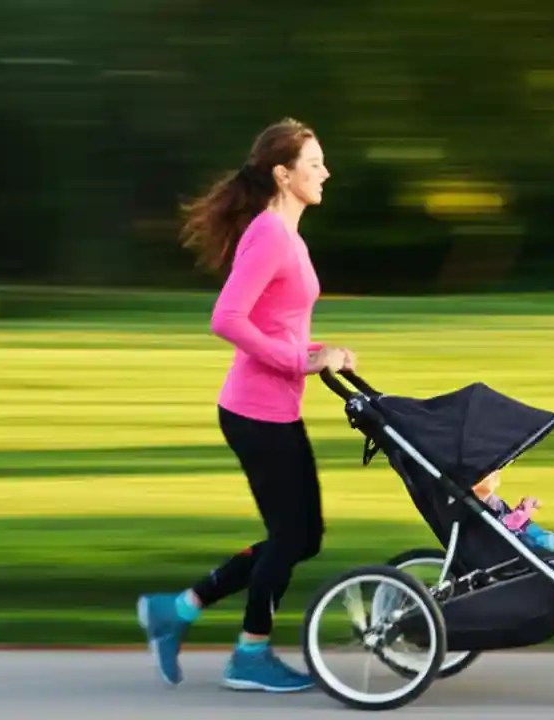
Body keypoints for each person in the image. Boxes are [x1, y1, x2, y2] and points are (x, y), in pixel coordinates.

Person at [137, 118, 353, 693]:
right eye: (314, 164)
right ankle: (249, 654)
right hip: (255, 410)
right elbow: (226, 318)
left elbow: (274, 324)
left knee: (304, 537)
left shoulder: (289, 235)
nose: (325, 172)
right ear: (284, 174)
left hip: (275, 407)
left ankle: (176, 610)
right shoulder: (269, 235)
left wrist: (318, 351)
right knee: (288, 537)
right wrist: (296, 361)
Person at [472, 469, 554, 557]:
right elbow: (511, 524)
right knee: (532, 535)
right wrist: (526, 509)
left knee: (531, 532)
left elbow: (510, 522)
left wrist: (525, 508)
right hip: (499, 528)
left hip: (497, 523)